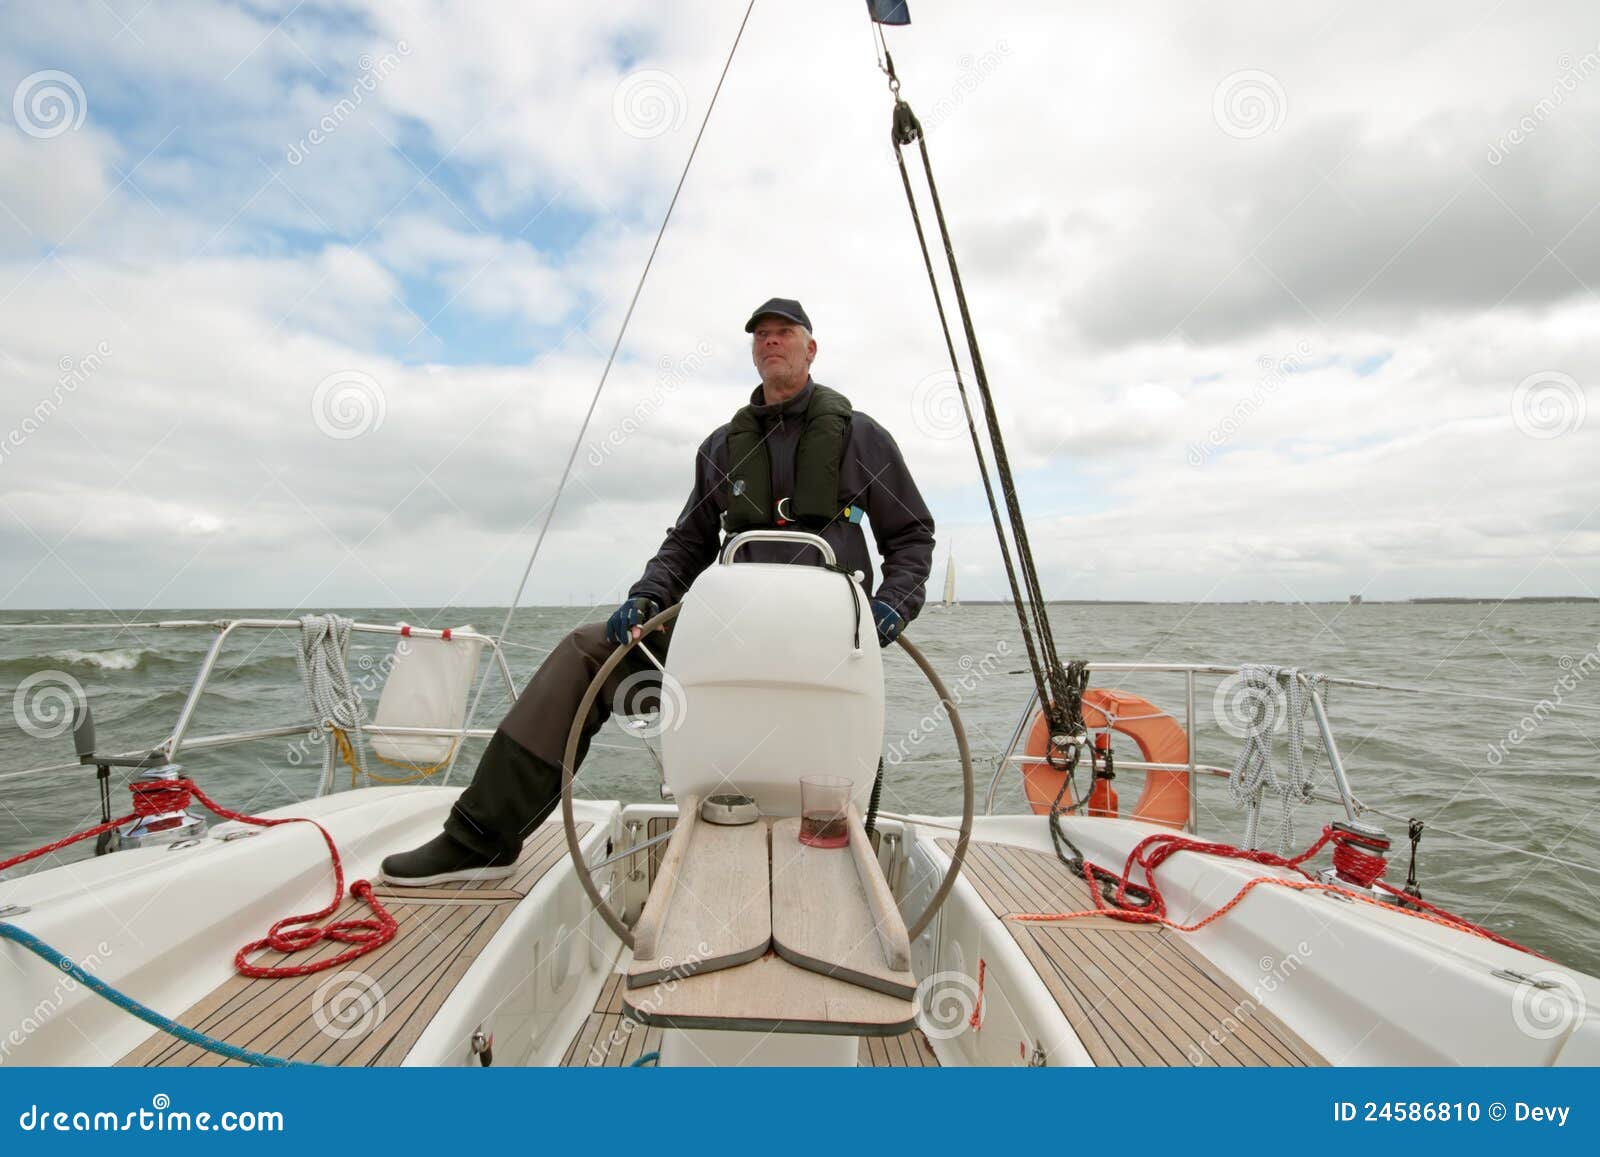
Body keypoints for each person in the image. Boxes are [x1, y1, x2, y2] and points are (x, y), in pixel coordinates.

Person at [380, 297, 936, 885]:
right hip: (731, 637)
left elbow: (911, 535)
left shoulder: (863, 439)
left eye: (784, 332)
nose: (771, 341)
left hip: (827, 642)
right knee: (587, 652)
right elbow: (688, 543)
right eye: (761, 335)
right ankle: (481, 838)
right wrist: (646, 596)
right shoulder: (722, 447)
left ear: (811, 349)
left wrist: (892, 606)